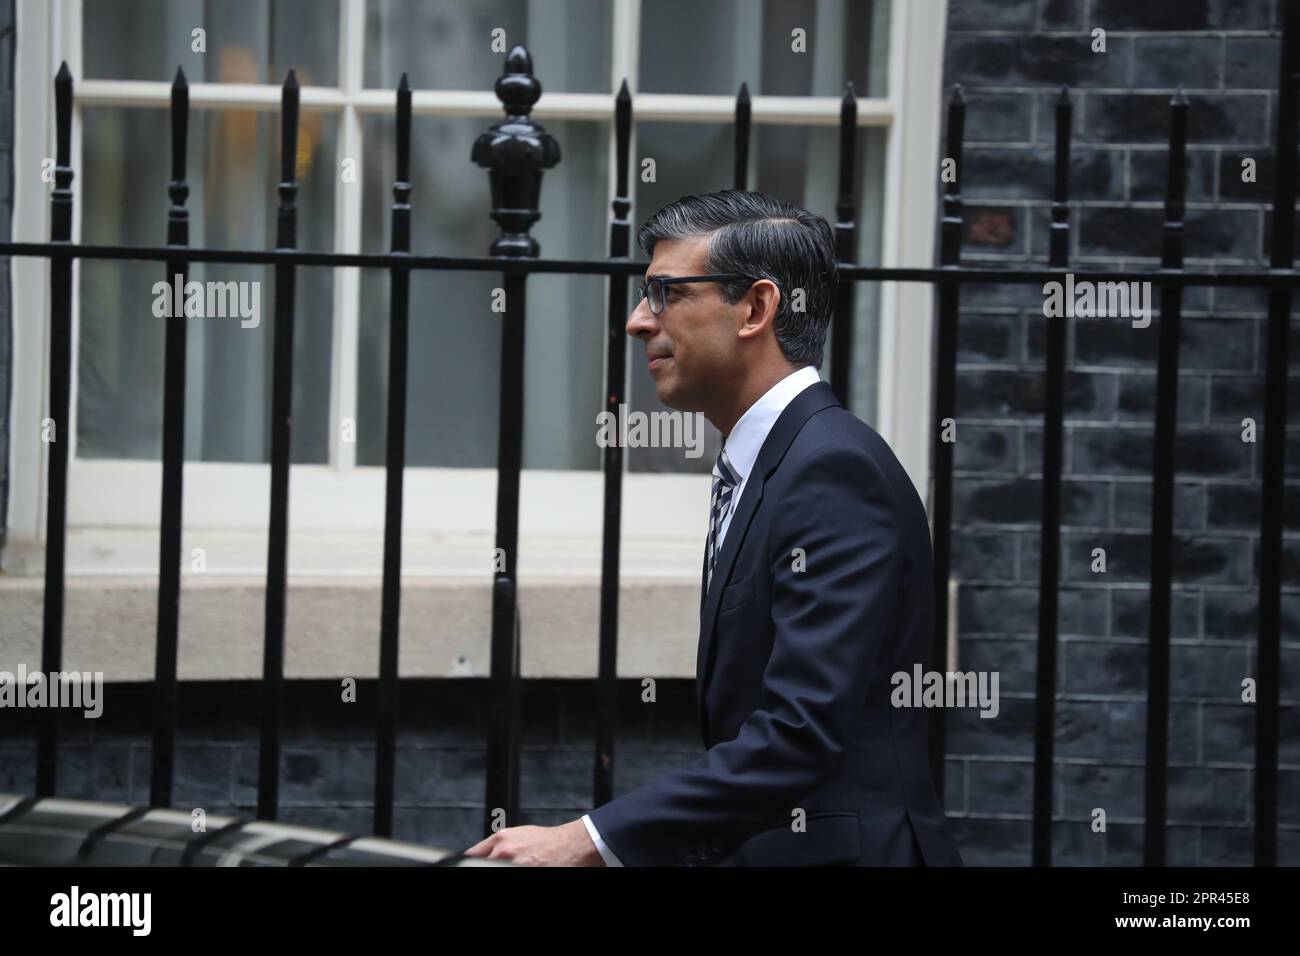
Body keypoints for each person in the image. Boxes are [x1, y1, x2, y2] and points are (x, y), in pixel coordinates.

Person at [465, 189, 963, 867]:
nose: (639, 321)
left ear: (756, 309)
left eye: (666, 292)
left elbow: (799, 732)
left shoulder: (833, 470)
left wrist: (589, 839)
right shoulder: (777, 460)